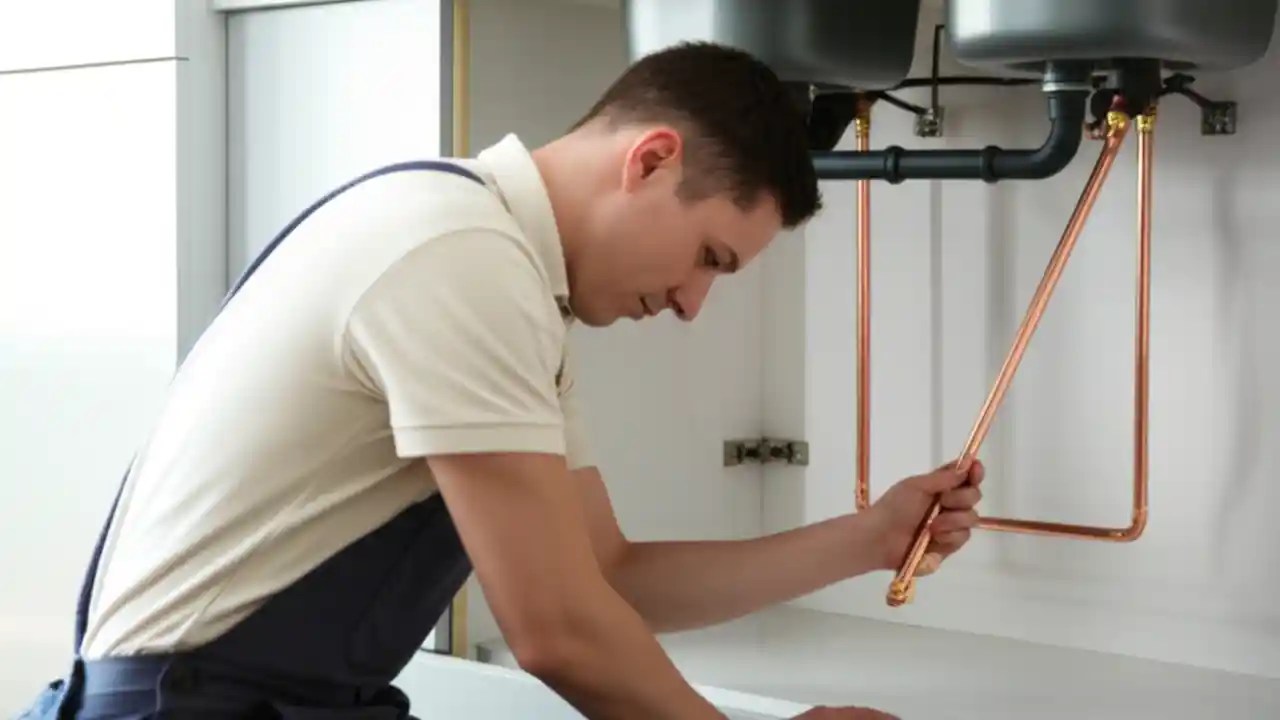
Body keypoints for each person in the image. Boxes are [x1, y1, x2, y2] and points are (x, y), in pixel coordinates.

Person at [21, 41, 983, 720]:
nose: (694, 303)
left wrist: (867, 539)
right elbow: (558, 630)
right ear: (651, 161)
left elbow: (608, 578)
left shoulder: (502, 271)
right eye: (709, 258)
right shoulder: (461, 258)